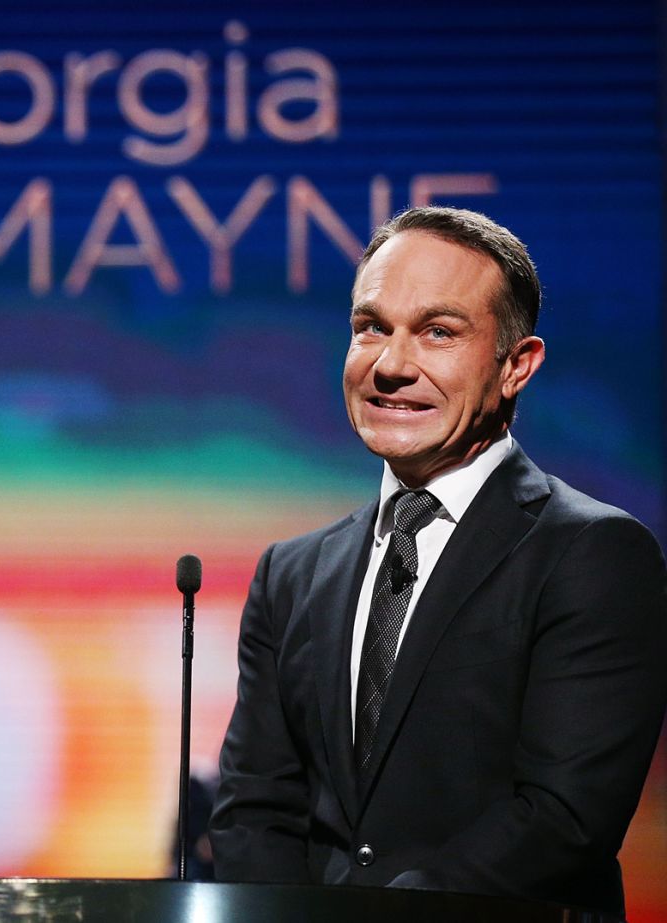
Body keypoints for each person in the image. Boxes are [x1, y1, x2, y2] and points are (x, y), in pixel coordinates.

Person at [209, 206, 667, 916]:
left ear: (517, 365)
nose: (391, 366)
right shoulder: (292, 573)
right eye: (371, 327)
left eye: (438, 332)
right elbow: (253, 810)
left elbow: (562, 817)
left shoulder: (594, 554)